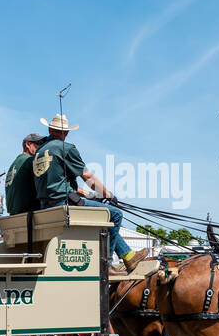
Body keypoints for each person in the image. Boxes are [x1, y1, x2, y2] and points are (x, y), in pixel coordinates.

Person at [32, 112, 145, 272]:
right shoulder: (66, 148)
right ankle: (106, 266)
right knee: (115, 214)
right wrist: (108, 195)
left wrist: (92, 196)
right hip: (64, 205)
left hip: (46, 207)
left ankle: (128, 256)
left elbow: (60, 184)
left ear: (50, 129)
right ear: (67, 132)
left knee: (104, 217)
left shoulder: (39, 151)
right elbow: (88, 176)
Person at [5, 133, 43, 215]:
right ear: (28, 144)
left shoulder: (14, 164)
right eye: (38, 144)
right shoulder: (30, 161)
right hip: (28, 213)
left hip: (14, 214)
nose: (41, 147)